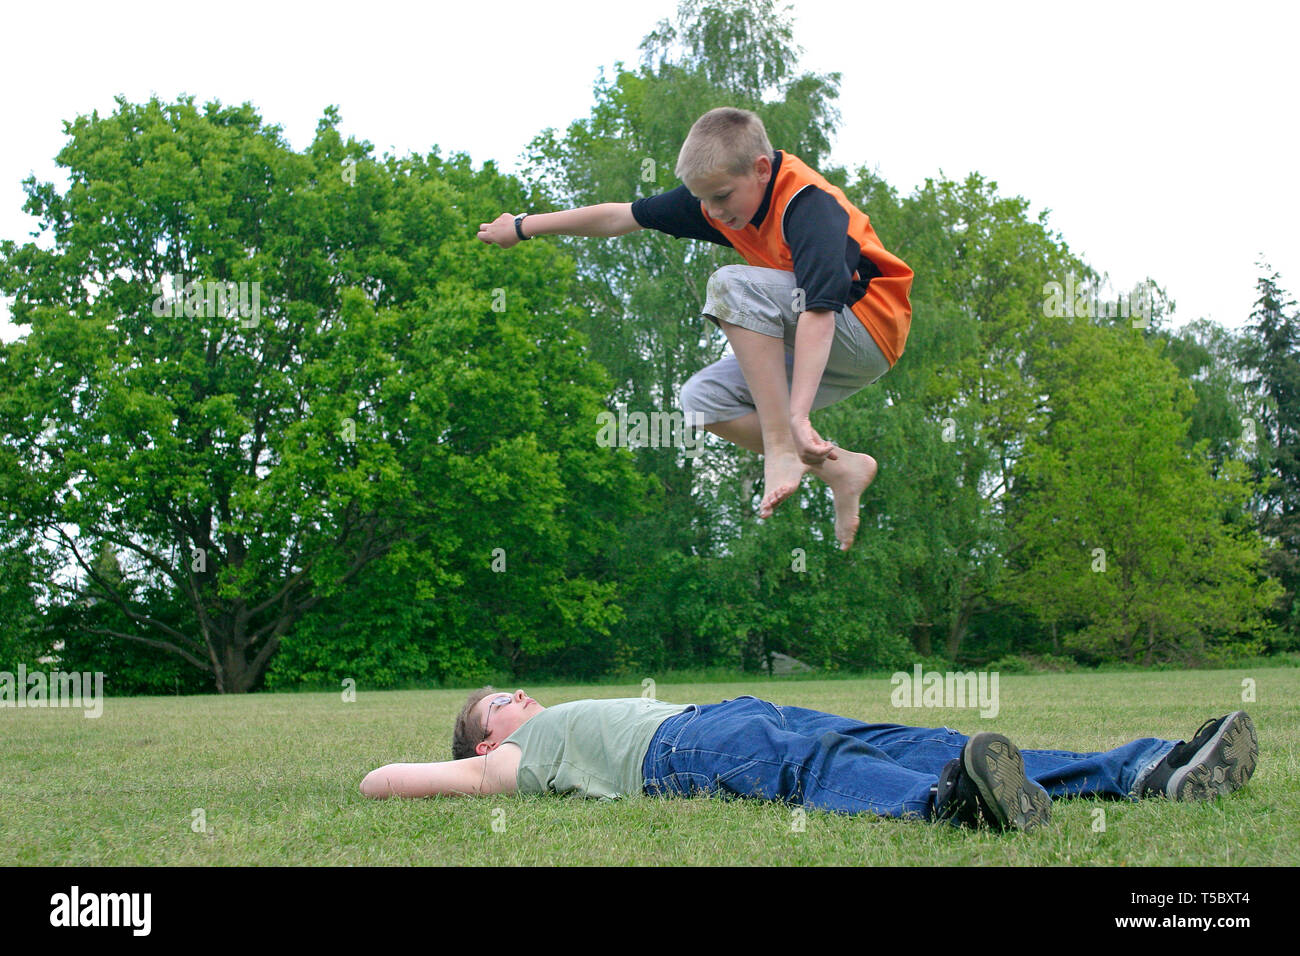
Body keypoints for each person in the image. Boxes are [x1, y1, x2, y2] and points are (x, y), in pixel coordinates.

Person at [476, 107, 914, 550]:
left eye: (721, 197)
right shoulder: (714, 199)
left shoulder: (807, 204)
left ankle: (782, 447)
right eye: (702, 200)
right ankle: (841, 468)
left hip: (864, 325)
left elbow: (819, 311)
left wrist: (795, 419)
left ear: (761, 170)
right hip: (818, 341)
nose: (713, 212)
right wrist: (521, 226)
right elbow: (620, 218)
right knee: (702, 401)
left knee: (732, 286)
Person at [359, 688, 1260, 832]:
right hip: (676, 751)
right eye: (498, 704)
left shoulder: (545, 719)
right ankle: (946, 808)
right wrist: (445, 763)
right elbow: (381, 781)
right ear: (487, 738)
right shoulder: (507, 760)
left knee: (926, 738)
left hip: (723, 713)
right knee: (808, 763)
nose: (516, 699)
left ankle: (1145, 772)